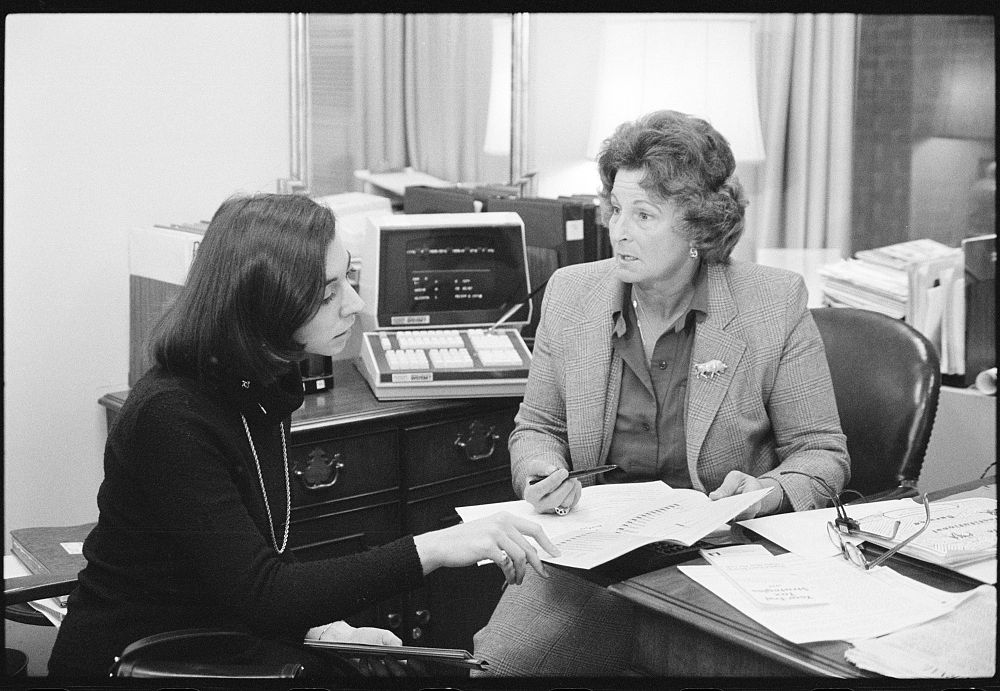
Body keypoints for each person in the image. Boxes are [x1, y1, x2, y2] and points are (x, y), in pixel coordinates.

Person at [48, 193, 559, 678]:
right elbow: (260, 591)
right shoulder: (171, 417)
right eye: (327, 292)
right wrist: (438, 546)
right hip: (143, 655)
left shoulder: (261, 387)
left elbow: (251, 562)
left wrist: (324, 629)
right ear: (267, 304)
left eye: (347, 278)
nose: (354, 303)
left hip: (219, 635)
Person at [473, 110, 850, 676]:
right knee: (499, 666)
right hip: (590, 558)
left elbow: (822, 453)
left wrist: (766, 493)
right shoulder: (572, 295)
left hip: (720, 557)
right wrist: (539, 474)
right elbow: (538, 428)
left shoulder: (773, 304)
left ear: (699, 227)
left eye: (643, 215)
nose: (618, 230)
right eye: (615, 209)